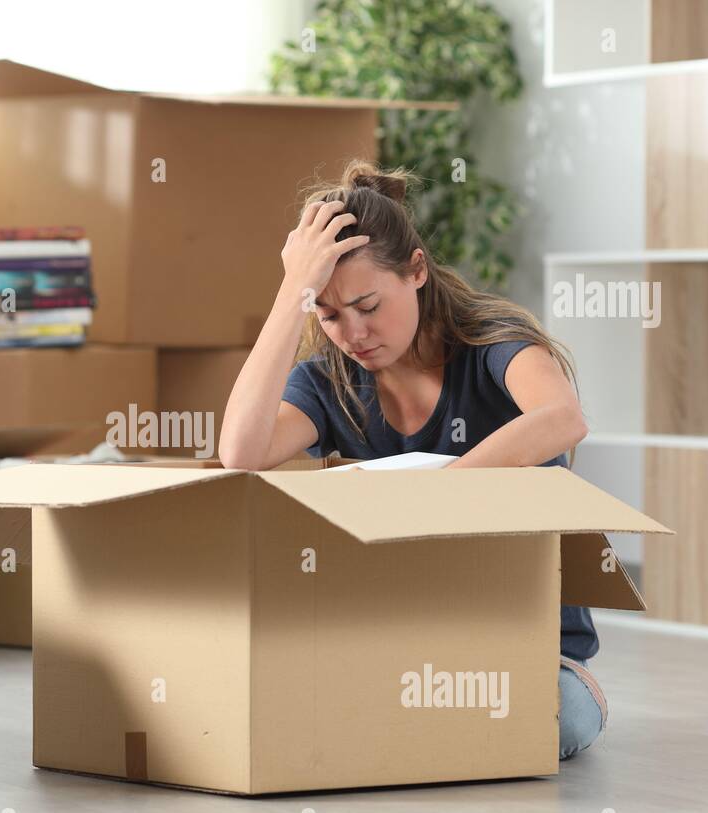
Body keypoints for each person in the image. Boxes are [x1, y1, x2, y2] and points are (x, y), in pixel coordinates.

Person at [219, 159, 606, 760]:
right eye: (328, 314)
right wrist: (289, 292)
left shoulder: (493, 347)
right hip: (398, 639)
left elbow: (562, 419)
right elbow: (241, 452)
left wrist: (426, 503)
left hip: (524, 645)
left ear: (417, 271)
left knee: (559, 721)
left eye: (368, 305)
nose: (353, 332)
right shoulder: (328, 383)